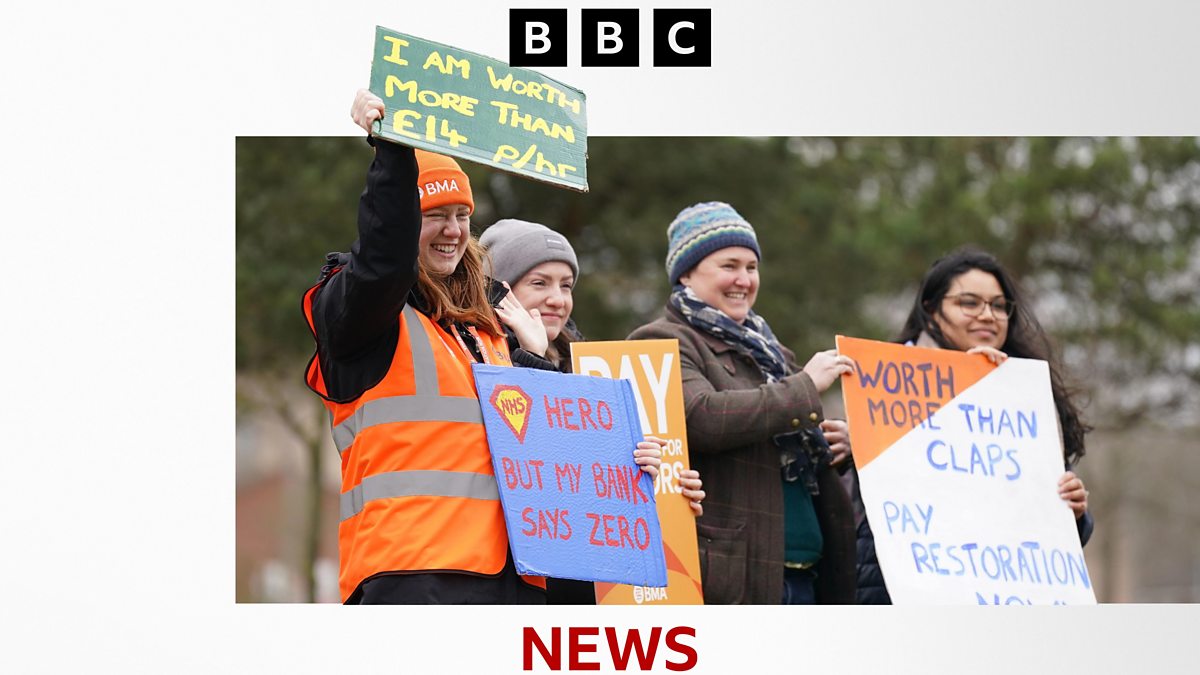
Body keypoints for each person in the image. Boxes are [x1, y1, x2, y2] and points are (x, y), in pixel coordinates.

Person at [298, 90, 662, 604]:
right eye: (433, 214)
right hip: (413, 573)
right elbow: (384, 259)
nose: (452, 230)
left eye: (462, 215)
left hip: (511, 576)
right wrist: (394, 153)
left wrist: (623, 466)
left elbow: (544, 458)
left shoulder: (487, 331)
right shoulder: (361, 318)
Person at [832, 246, 1095, 604]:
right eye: (969, 303)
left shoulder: (1024, 399)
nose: (988, 316)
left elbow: (1050, 534)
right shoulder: (884, 386)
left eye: (999, 306)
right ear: (931, 309)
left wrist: (1075, 512)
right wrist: (856, 446)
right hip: (896, 594)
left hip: (1002, 598)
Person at [627, 201, 858, 604]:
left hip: (807, 574)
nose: (744, 279)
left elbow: (778, 434)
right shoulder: (660, 340)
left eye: (752, 268)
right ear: (685, 273)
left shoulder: (771, 350)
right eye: (729, 266)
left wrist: (835, 444)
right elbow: (702, 417)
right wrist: (804, 387)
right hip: (736, 576)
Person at [480, 218, 706, 604]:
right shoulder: (481, 362)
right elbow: (532, 460)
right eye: (539, 283)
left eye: (566, 285)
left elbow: (589, 483)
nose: (558, 299)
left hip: (591, 592)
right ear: (499, 293)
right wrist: (531, 357)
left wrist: (661, 483)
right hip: (513, 585)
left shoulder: (593, 371)